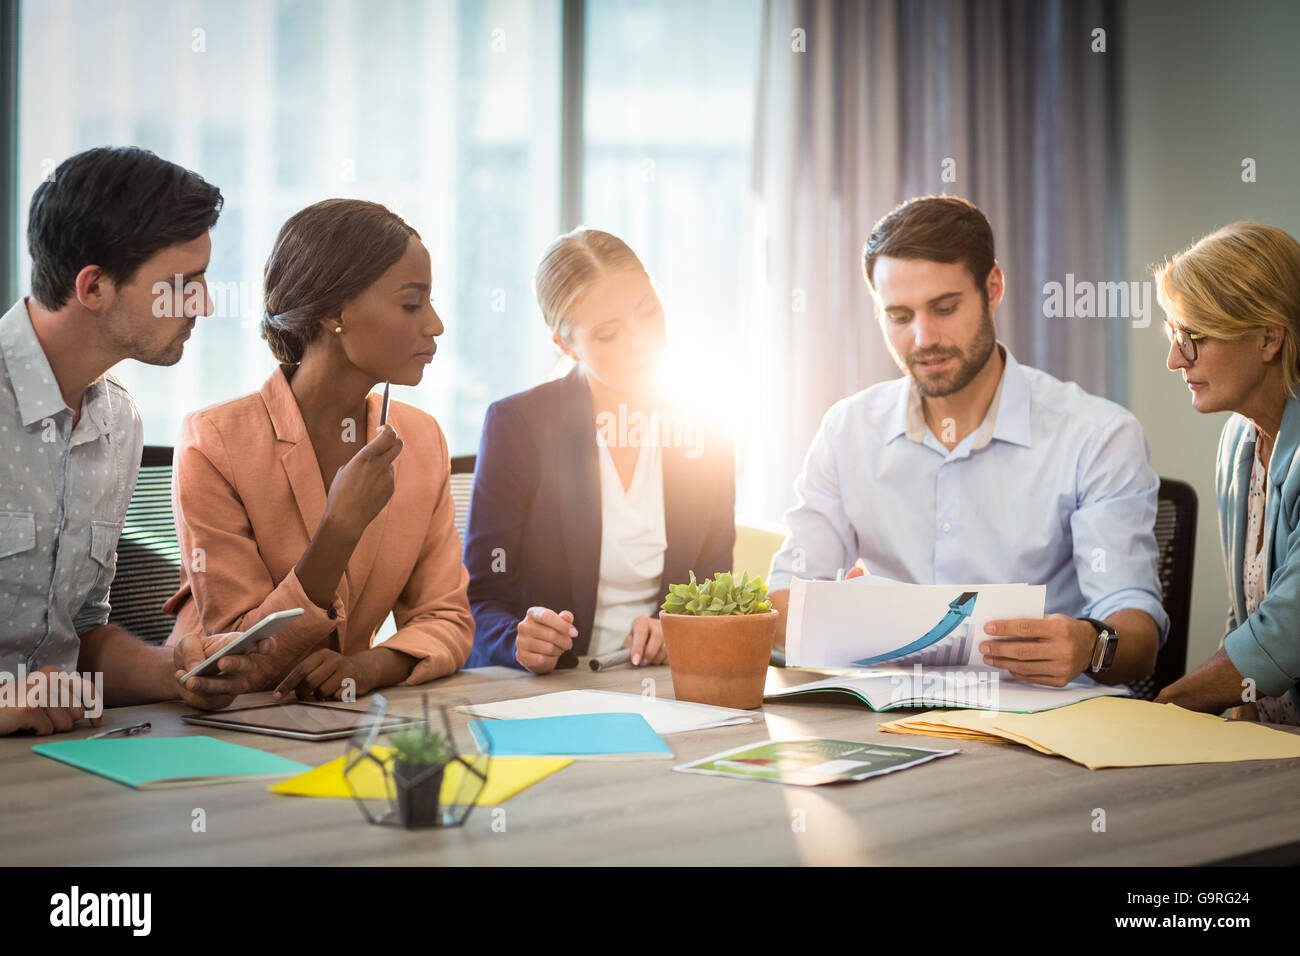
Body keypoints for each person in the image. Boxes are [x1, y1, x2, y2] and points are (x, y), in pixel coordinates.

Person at [768, 195, 1167, 687]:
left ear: (993, 288)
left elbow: (1138, 640)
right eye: (899, 316)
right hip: (889, 718)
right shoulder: (847, 430)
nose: (923, 338)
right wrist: (847, 619)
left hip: (1040, 723)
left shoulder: (1097, 435)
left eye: (945, 307)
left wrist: (1090, 645)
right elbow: (784, 599)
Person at [0, 146, 266, 736]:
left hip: (60, 759)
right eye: (182, 286)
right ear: (94, 286)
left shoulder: (118, 421)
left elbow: (81, 637)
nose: (204, 305)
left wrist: (178, 669)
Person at [163, 199, 474, 699]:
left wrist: (369, 667)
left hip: (332, 721)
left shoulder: (422, 439)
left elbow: (447, 617)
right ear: (334, 312)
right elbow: (240, 654)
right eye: (412, 304)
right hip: (215, 721)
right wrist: (340, 529)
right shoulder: (214, 442)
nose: (435, 324)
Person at [464, 227, 735, 673]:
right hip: (546, 691)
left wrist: (681, 627)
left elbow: (713, 587)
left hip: (663, 685)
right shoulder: (518, 425)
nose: (640, 341)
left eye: (648, 311)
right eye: (608, 334)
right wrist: (517, 639)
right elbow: (480, 599)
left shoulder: (705, 430)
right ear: (566, 345)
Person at [1154, 222, 1300, 723]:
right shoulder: (1239, 441)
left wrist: (1161, 712)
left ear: (1268, 338)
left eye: (1194, 336)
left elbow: (1284, 634)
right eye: (1176, 335)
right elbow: (1247, 621)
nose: (1175, 359)